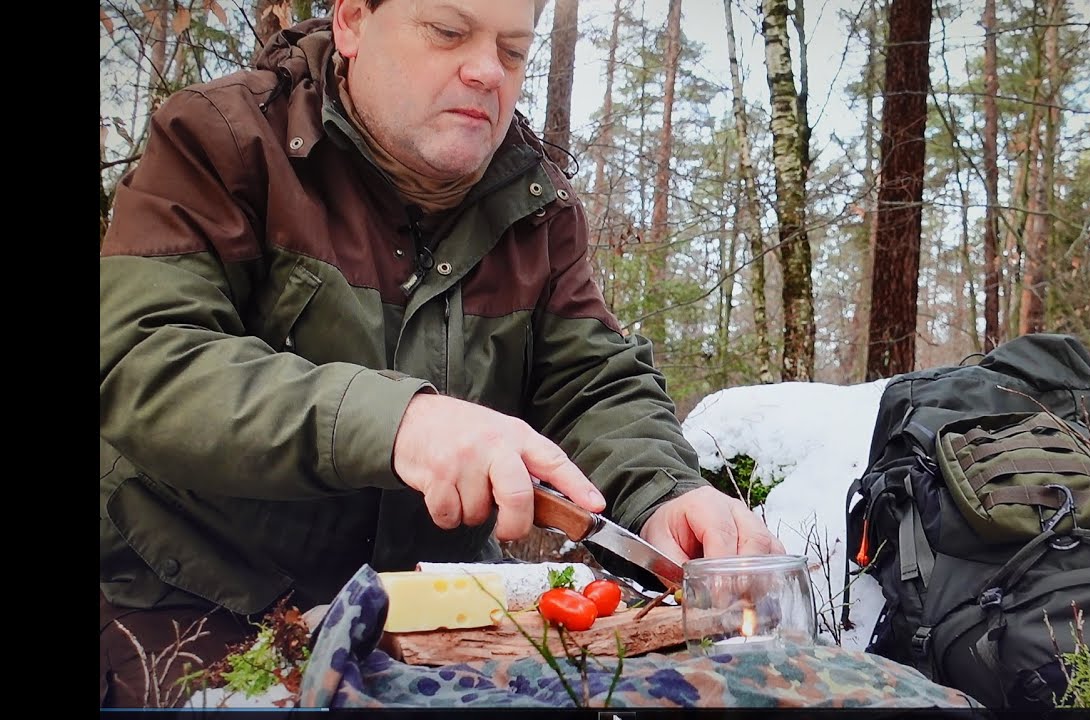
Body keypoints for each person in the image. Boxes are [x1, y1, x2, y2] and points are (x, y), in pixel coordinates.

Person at [99, 0, 786, 708]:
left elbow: (593, 382)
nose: (487, 71)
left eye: (513, 50)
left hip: (437, 621)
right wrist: (402, 425)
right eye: (449, 32)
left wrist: (667, 495)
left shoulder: (536, 205)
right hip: (191, 603)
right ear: (352, 23)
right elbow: (144, 359)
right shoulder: (222, 138)